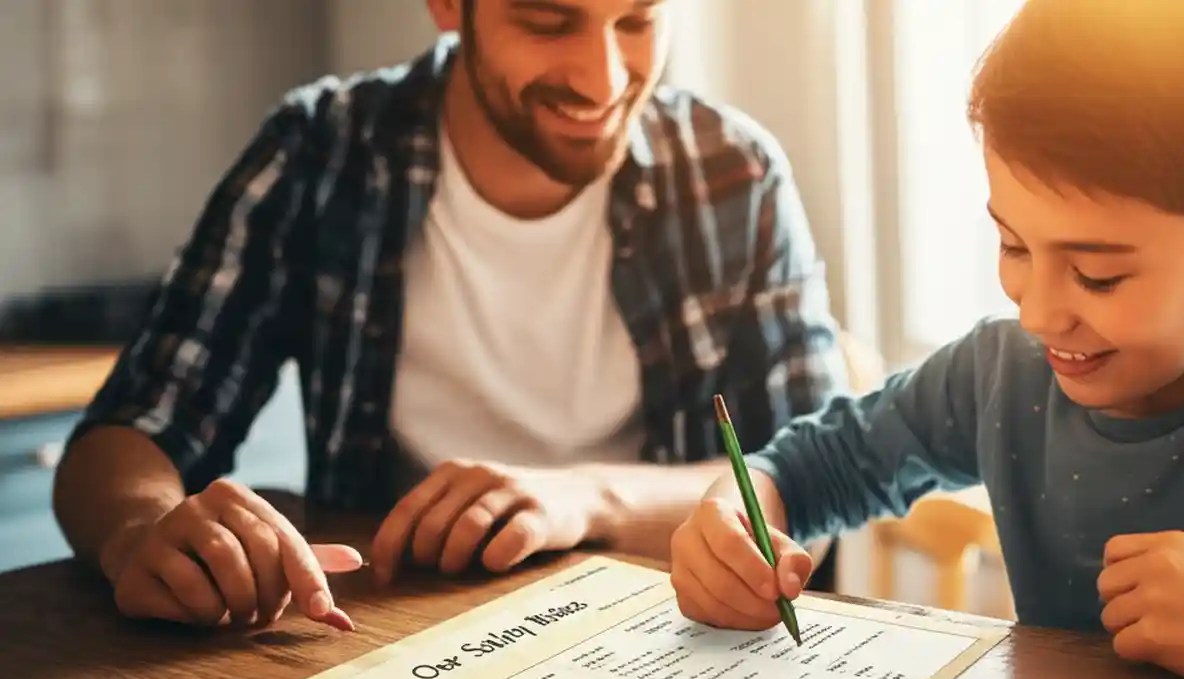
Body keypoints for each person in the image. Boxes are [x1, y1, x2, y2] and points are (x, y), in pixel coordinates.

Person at [52, 0, 846, 632]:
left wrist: (580, 499)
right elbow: (134, 425)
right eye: (547, 19)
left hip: (658, 642)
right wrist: (140, 530)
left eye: (637, 20)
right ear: (447, 5)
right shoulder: (321, 152)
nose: (603, 79)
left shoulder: (732, 172)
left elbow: (810, 481)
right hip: (378, 640)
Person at [670, 0, 1184, 679]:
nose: (1040, 315)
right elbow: (813, 466)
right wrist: (731, 516)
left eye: (1097, 276)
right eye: (1013, 244)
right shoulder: (1002, 375)